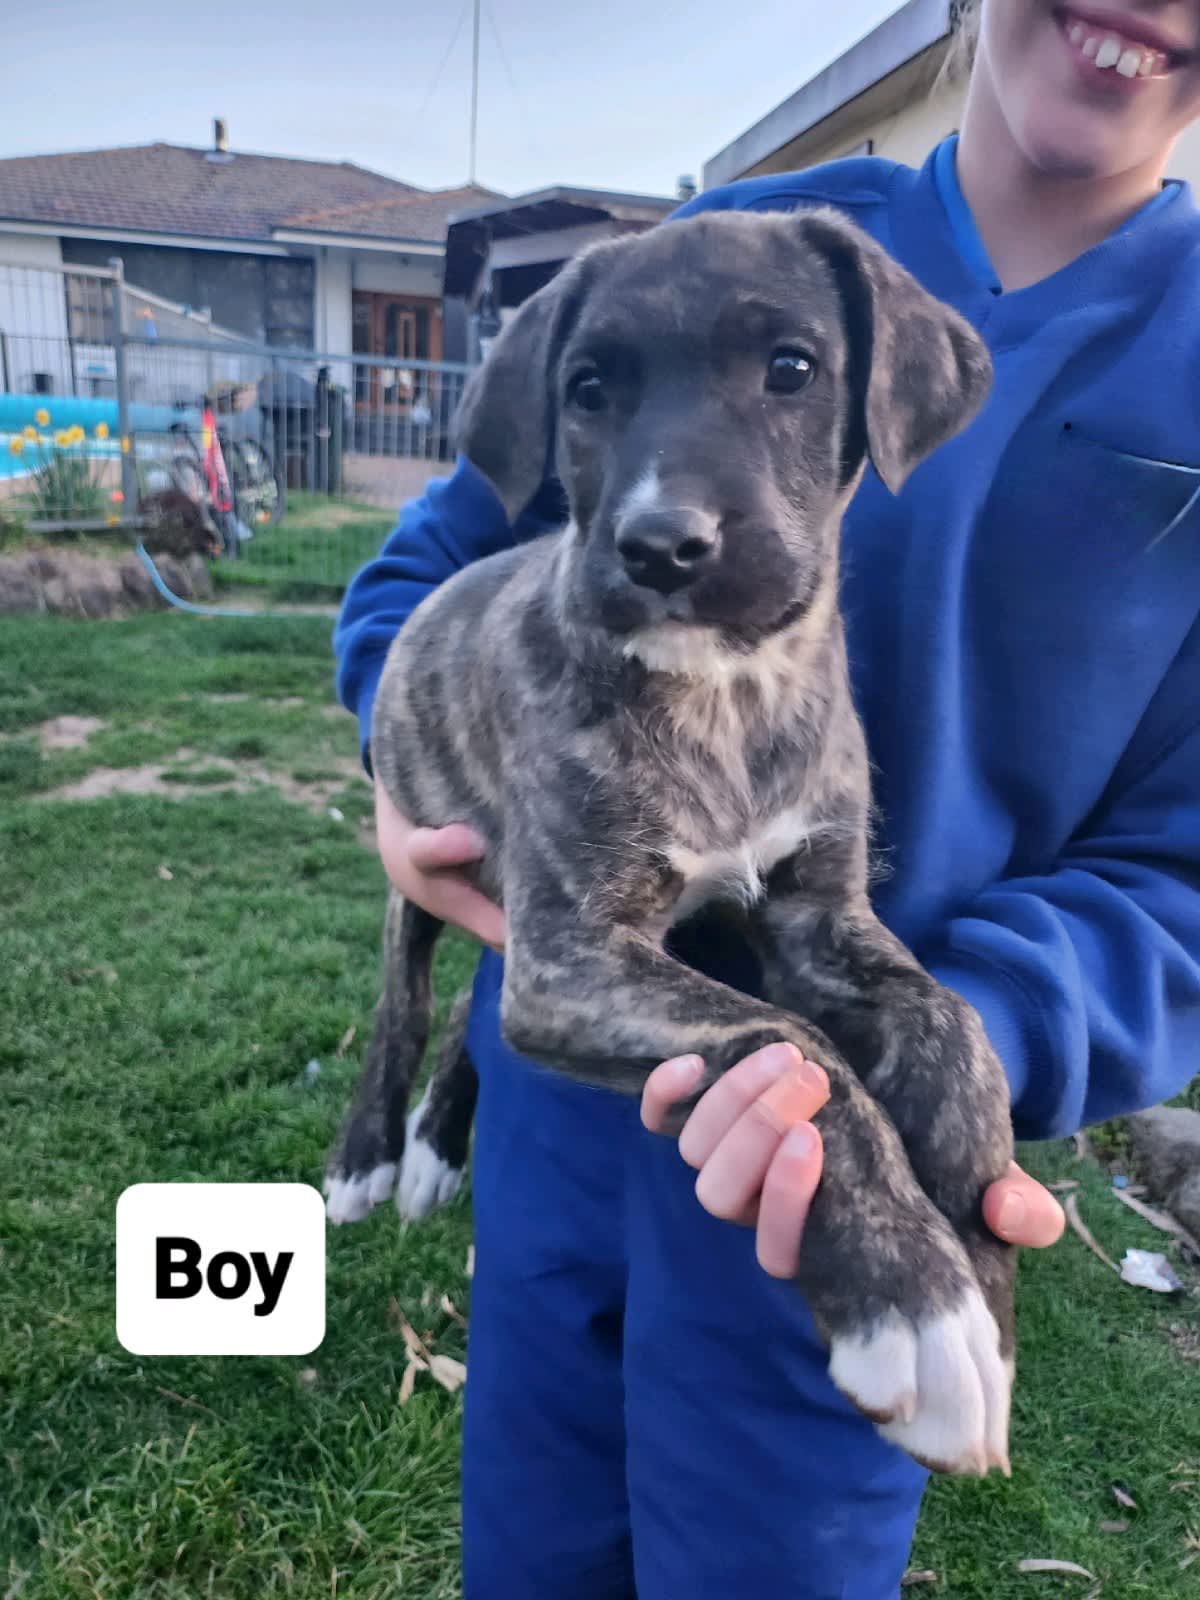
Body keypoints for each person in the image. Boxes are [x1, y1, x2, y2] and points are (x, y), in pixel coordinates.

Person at [333, 1, 1200, 1592]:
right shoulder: (723, 247)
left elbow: (1184, 871)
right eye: (613, 396)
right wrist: (407, 742)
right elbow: (427, 569)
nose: (672, 506)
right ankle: (412, 1104)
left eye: (785, 375)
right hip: (566, 1143)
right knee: (529, 1560)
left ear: (875, 386)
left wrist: (976, 1039)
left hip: (830, 1222)